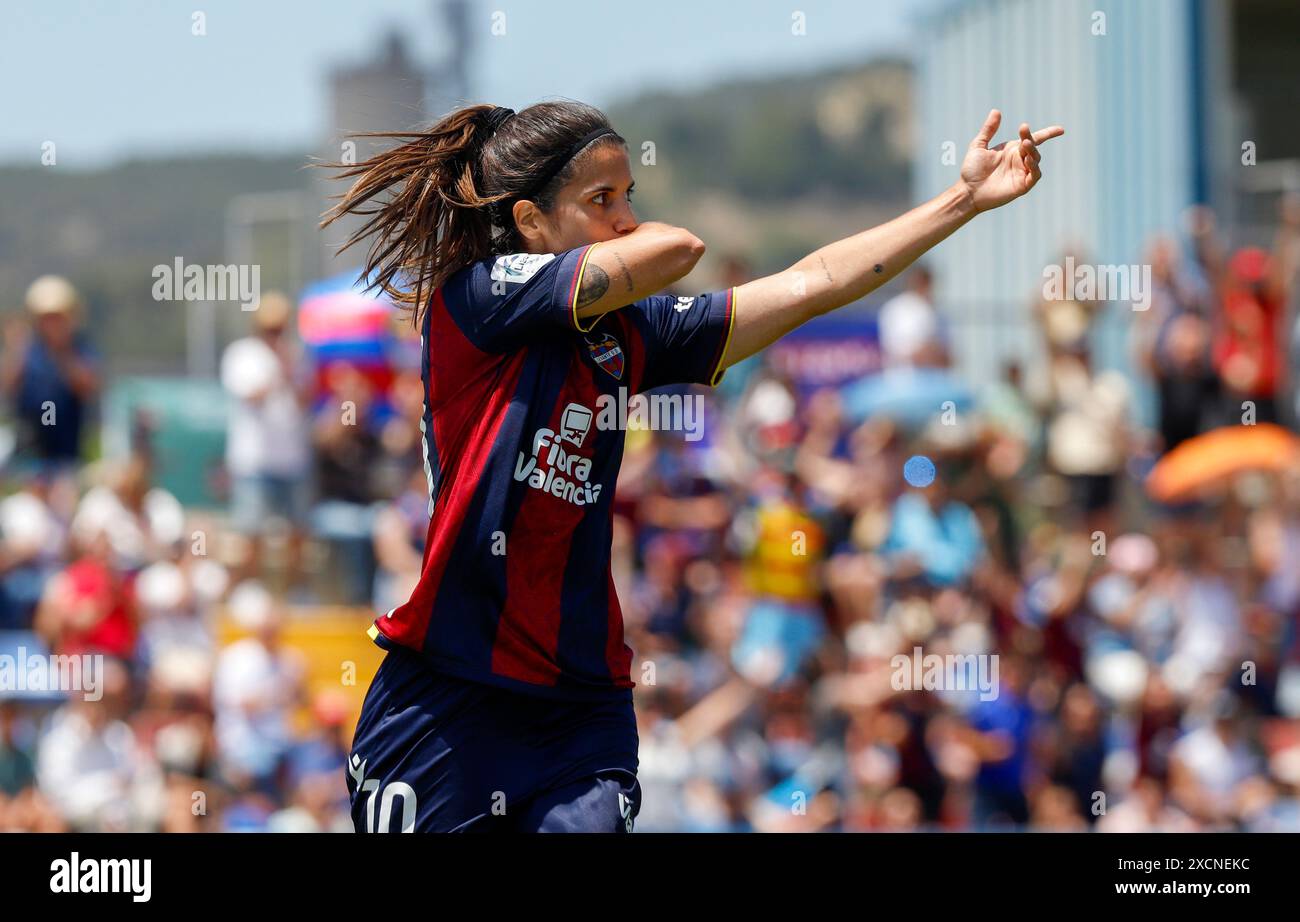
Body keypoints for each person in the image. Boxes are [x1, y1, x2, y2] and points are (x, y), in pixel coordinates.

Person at [323, 100, 1062, 832]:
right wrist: (650, 242)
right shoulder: (479, 301)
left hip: (579, 707)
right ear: (530, 223)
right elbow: (675, 250)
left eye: (629, 197)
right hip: (449, 699)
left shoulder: (627, 335)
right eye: (601, 200)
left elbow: (814, 283)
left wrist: (963, 200)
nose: (626, 218)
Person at [218, 292, 311, 582]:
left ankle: (290, 595)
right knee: (250, 534)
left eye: (280, 327)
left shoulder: (297, 355)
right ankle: (251, 591)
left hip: (293, 460)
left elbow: (305, 400)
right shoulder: (242, 354)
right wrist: (276, 372)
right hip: (254, 462)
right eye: (271, 328)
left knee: (298, 533)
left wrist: (289, 371)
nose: (276, 334)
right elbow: (250, 397)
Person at [0, 275, 101, 470]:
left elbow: (88, 387)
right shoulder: (28, 351)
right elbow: (8, 385)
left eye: (57, 318)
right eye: (46, 318)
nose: (52, 324)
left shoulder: (80, 350)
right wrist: (16, 349)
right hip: (27, 456)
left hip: (68, 456)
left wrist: (61, 353)